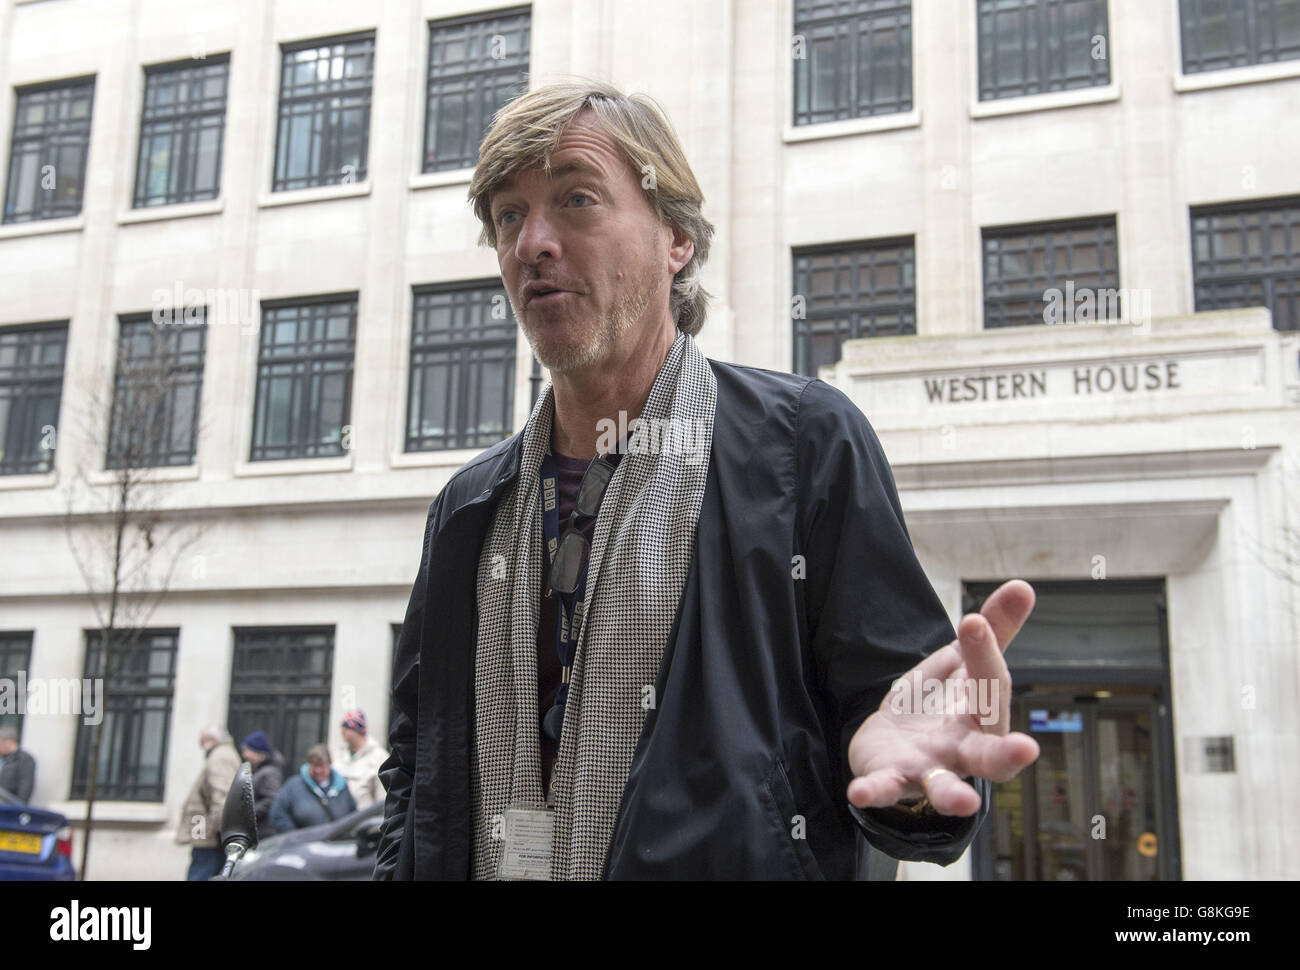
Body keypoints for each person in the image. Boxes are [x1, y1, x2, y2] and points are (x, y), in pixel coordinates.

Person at [375, 79, 1042, 881]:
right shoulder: (469, 508)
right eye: (509, 216)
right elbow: (417, 771)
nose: (531, 244)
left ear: (676, 238)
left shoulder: (804, 447)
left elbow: (898, 732)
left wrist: (909, 789)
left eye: (576, 199)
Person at [175, 726, 240, 881]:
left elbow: (222, 797)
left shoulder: (220, 757)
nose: (202, 746)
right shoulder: (223, 755)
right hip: (208, 829)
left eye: (203, 741)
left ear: (212, 740)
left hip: (208, 831)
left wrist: (215, 829)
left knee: (201, 871)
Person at [270, 744, 357, 834]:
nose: (318, 770)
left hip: (336, 845)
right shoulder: (293, 786)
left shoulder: (342, 787)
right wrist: (294, 837)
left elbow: (353, 815)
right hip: (302, 845)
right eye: (314, 765)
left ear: (329, 765)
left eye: (322, 766)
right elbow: (278, 814)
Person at [334, 710, 388, 810]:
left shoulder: (379, 756)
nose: (342, 730)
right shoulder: (338, 753)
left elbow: (383, 797)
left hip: (364, 821)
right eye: (342, 726)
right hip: (338, 821)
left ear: (358, 730)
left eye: (347, 727)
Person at [240, 731, 286, 835]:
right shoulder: (260, 771)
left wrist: (247, 814)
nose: (244, 755)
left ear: (256, 751)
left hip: (263, 832)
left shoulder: (269, 773)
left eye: (246, 750)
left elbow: (271, 799)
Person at [0, 727, 36, 803]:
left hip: (9, 807)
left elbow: (25, 789)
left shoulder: (24, 759)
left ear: (9, 742)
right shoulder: (3, 758)